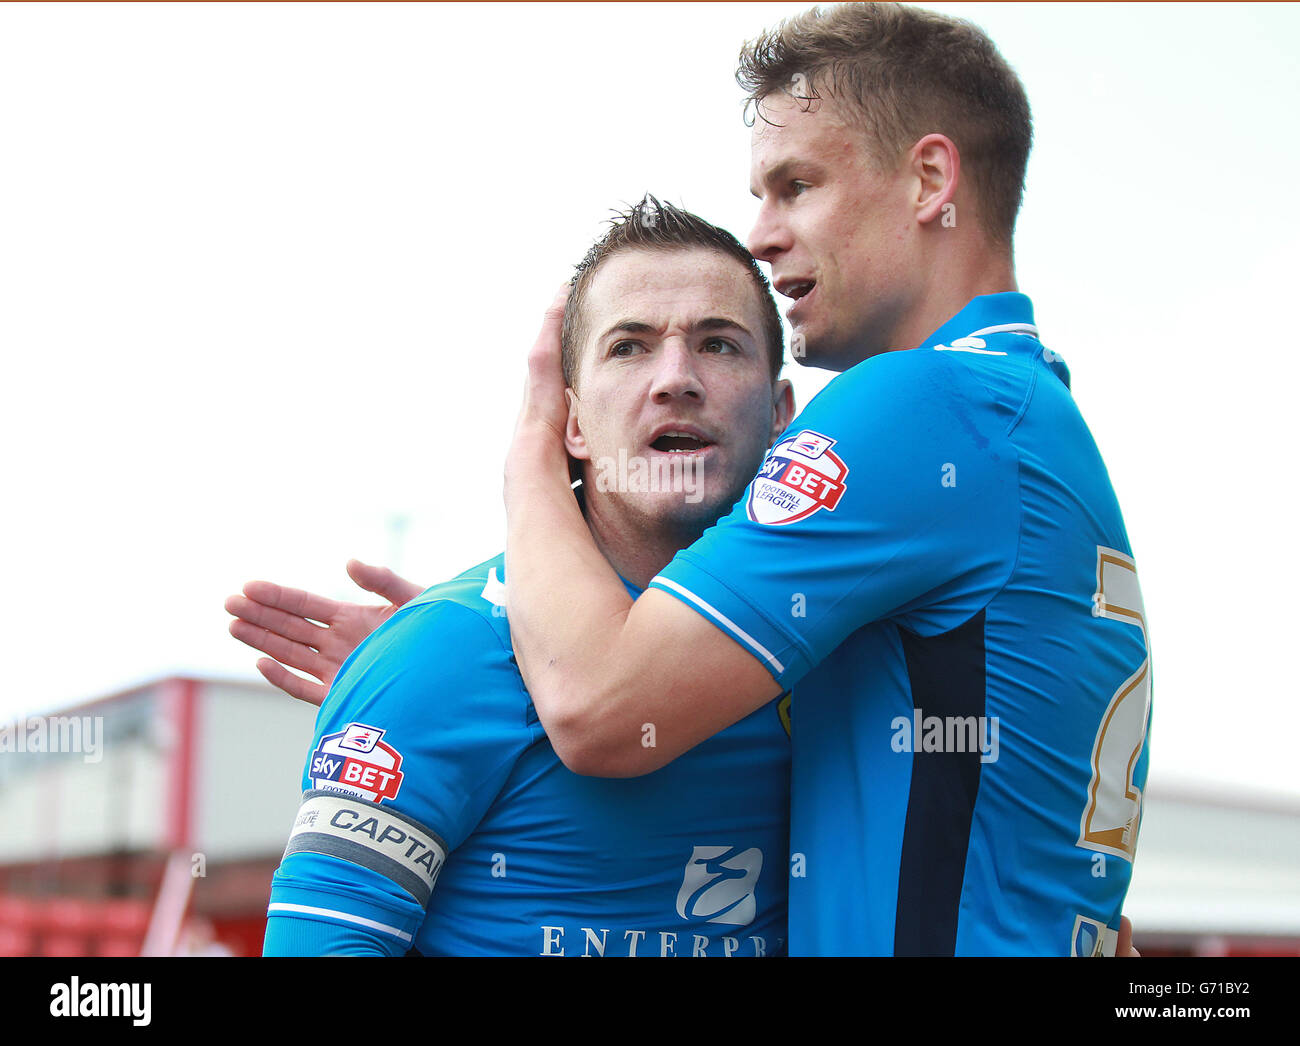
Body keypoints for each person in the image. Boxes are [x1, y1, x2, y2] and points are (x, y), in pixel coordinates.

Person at [502, 3, 1151, 956]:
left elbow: (602, 708)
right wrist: (491, 648)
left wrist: (531, 438)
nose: (760, 236)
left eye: (795, 186)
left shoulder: (923, 405)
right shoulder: (1029, 415)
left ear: (931, 179)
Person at [239, 199, 797, 957]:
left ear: (781, 416)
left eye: (720, 345)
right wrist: (435, 664)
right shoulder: (437, 654)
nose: (676, 379)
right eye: (629, 347)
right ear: (569, 422)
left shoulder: (833, 650)